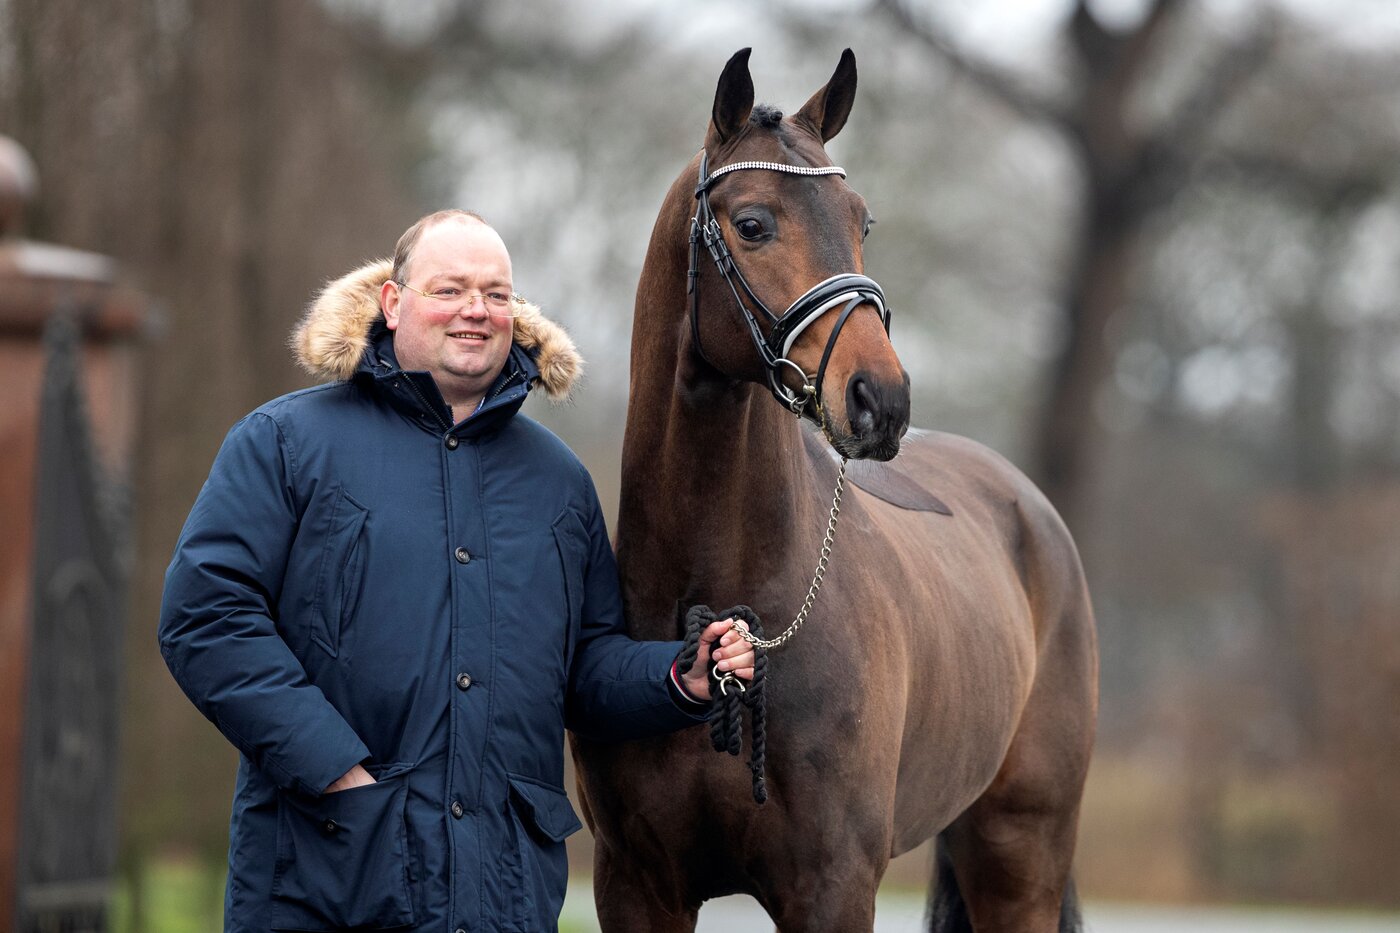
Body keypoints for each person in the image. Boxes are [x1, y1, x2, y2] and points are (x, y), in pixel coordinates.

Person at [158, 209, 754, 933]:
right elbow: (205, 619)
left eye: (497, 293)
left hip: (502, 894)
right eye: (451, 289)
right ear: (393, 302)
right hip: (323, 878)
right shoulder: (284, 442)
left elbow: (585, 667)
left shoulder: (559, 483)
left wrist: (677, 678)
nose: (477, 309)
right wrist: (336, 771)